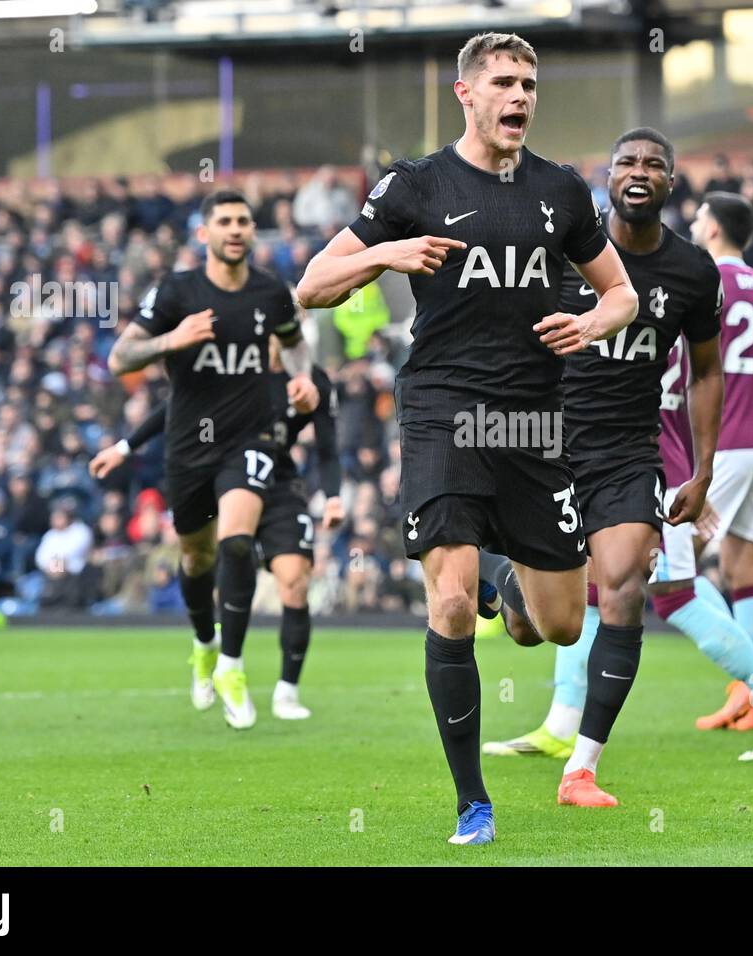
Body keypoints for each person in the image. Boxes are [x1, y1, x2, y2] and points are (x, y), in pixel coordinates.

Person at [295, 32, 638, 845]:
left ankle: (499, 574)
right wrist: (386, 252)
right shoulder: (414, 186)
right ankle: (472, 804)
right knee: (447, 604)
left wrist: (590, 323)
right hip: (444, 409)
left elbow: (621, 294)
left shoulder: (560, 191)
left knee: (551, 626)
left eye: (529, 84)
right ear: (466, 94)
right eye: (504, 83)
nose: (520, 97)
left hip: (532, 421)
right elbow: (310, 286)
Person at [482, 131, 753, 796]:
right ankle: (505, 583)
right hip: (546, 440)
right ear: (608, 177)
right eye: (627, 162)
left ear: (671, 183)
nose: (639, 172)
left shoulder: (693, 272)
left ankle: (582, 765)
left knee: (629, 586)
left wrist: (704, 469)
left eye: (654, 165)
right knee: (535, 625)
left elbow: (708, 370)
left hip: (631, 450)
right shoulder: (560, 251)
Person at [107, 189, 317, 728]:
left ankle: (230, 662)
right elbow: (119, 357)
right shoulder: (177, 290)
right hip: (188, 449)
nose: (236, 229)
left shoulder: (271, 291)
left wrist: (301, 377)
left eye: (244, 221)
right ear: (204, 233)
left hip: (247, 440)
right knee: (197, 558)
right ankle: (204, 643)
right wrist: (171, 339)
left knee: (238, 541)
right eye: (224, 221)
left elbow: (293, 341)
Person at [92, 342, 343, 721]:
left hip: (277, 479)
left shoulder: (312, 379)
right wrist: (127, 446)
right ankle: (207, 643)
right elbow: (178, 406)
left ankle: (283, 691)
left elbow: (327, 446)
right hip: (222, 472)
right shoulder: (236, 364)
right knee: (200, 557)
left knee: (294, 579)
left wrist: (334, 496)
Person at [684, 192, 753, 730]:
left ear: (714, 230)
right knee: (743, 570)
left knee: (673, 558)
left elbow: (695, 363)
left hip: (726, 438)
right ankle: (749, 698)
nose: (693, 223)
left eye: (700, 217)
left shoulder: (710, 281)